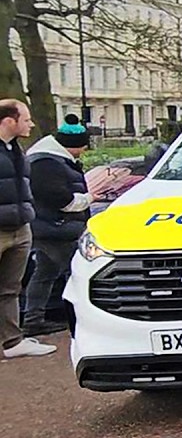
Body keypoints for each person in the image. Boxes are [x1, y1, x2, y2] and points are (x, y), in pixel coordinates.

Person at [22, 114, 92, 336]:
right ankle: (84, 317)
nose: (84, 151)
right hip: (57, 227)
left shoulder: (47, 160)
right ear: (72, 145)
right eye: (82, 146)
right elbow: (60, 199)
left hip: (47, 225)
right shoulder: (47, 163)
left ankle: (34, 318)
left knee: (45, 273)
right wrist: (90, 198)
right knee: (78, 271)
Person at [0, 99, 54, 358]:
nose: (31, 124)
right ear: (9, 121)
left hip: (20, 227)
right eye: (26, 119)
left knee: (10, 287)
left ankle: (12, 342)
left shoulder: (15, 149)